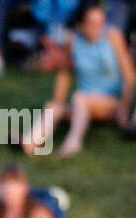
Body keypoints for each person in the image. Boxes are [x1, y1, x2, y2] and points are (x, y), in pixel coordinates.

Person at [23, 1, 134, 155]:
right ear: (80, 25)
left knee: (79, 98)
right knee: (54, 107)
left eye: (101, 23)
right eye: (92, 24)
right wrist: (58, 99)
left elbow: (128, 75)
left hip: (110, 104)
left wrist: (124, 109)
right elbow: (64, 73)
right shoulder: (73, 41)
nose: (98, 28)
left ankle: (73, 142)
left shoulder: (112, 36)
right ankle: (29, 144)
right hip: (82, 107)